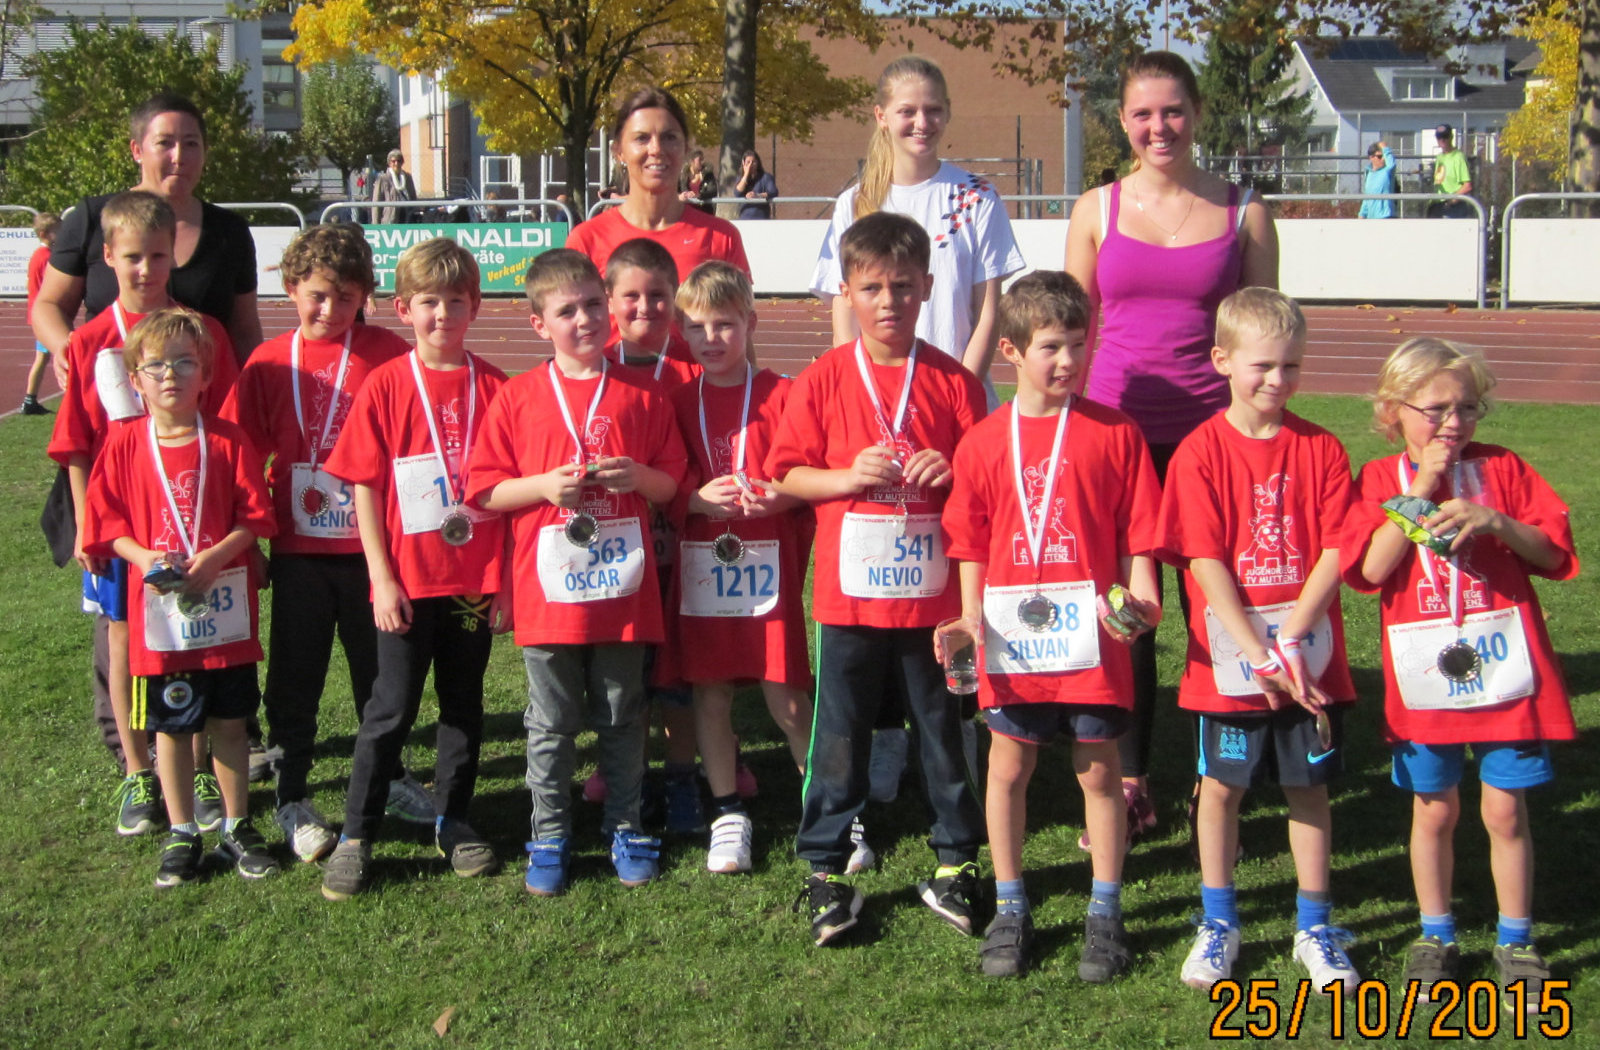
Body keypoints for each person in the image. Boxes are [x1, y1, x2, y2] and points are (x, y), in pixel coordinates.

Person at [1064, 51, 1278, 846]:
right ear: (1123, 122)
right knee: (1131, 617)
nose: (1160, 127)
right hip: (1118, 439)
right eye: (1143, 114)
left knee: (1217, 611)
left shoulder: (1244, 211)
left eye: (1174, 111)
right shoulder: (1096, 209)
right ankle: (1128, 779)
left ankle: (1220, 778)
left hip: (1211, 445)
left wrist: (1256, 440)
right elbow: (1071, 328)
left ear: (1197, 113)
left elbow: (1262, 334)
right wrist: (1069, 429)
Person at [768, 212, 987, 947]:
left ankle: (958, 860)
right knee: (839, 736)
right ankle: (826, 868)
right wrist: (843, 475)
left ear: (928, 287)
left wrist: (953, 469)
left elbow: (983, 489)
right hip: (849, 602)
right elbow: (787, 476)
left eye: (902, 286)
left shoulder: (955, 383)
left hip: (937, 604)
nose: (888, 300)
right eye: (872, 288)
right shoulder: (824, 380)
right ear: (848, 291)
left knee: (945, 734)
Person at [1341, 337, 1576, 1009]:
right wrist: (1417, 491)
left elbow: (1554, 551)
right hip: (1425, 679)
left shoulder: (1501, 468)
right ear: (1394, 412)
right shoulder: (1381, 479)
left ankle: (1517, 940)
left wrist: (1495, 520)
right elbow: (1374, 568)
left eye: (1467, 407)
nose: (1453, 423)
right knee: (1435, 809)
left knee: (1505, 810)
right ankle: (1435, 935)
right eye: (1436, 408)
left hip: (1506, 671)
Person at [941, 271, 1162, 980]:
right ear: (1010, 350)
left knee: (1100, 771)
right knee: (1009, 766)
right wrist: (972, 614)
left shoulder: (1115, 432)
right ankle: (1011, 904)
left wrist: (1144, 594)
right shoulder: (982, 441)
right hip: (1011, 637)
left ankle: (1104, 908)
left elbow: (1140, 531)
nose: (1068, 361)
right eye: (1050, 348)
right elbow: (971, 538)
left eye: (1078, 344)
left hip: (1092, 640)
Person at [466, 249, 688, 896]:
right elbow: (484, 492)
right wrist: (540, 487)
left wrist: (638, 478)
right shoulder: (518, 397)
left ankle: (625, 825)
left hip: (622, 594)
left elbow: (671, 483)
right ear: (540, 325)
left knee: (623, 713)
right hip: (548, 595)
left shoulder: (639, 395)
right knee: (551, 722)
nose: (586, 319)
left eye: (595, 304)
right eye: (568, 311)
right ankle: (551, 832)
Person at [1156, 288, 1359, 993]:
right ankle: (1219, 920)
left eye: (1292, 366)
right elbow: (1203, 560)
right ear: (1222, 361)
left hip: (1307, 661)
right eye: (1263, 365)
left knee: (1309, 790)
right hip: (1229, 664)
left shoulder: (1322, 447)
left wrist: (1292, 637)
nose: (1278, 380)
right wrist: (1253, 648)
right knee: (1220, 790)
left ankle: (1314, 924)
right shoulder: (1199, 452)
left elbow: (1339, 547)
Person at [221, 223, 436, 864]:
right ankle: (292, 792)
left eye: (344, 297)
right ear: (290, 289)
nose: (329, 310)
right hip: (297, 553)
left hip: (374, 553)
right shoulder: (267, 363)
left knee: (383, 675)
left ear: (364, 296)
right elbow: (239, 459)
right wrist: (251, 541)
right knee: (295, 676)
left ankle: (391, 774)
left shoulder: (389, 355)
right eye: (316, 295)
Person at [318, 238, 510, 900]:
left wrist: (505, 580)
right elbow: (364, 486)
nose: (443, 315)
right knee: (390, 708)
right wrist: (382, 577)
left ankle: (454, 820)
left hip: (472, 581)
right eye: (429, 303)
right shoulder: (387, 385)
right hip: (408, 578)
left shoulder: (496, 387)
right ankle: (357, 833)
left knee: (463, 704)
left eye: (457, 302)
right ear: (403, 309)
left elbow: (510, 492)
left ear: (476, 306)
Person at [47, 191, 239, 837]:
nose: (145, 270)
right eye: (132, 257)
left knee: (204, 639)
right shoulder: (92, 343)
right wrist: (84, 524)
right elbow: (74, 441)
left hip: (195, 522)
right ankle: (138, 769)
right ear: (107, 257)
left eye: (158, 256)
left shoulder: (199, 333)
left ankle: (205, 764)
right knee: (128, 641)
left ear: (173, 257)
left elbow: (229, 426)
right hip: (123, 531)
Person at [82, 308, 277, 888]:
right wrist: (143, 558)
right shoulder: (122, 445)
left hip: (225, 609)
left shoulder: (227, 440)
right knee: (171, 727)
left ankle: (238, 824)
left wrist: (216, 557)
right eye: (156, 366)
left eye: (185, 363)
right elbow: (107, 522)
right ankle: (182, 830)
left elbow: (253, 518)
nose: (171, 375)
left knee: (231, 722)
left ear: (206, 374)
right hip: (162, 619)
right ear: (135, 379)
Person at [668, 261, 814, 873]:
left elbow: (809, 477)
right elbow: (664, 480)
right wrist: (694, 500)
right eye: (698, 326)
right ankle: (728, 811)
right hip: (704, 568)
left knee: (787, 695)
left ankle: (828, 807)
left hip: (767, 567)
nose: (712, 339)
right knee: (711, 690)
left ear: (750, 323)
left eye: (725, 324)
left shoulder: (784, 394)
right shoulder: (675, 401)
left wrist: (778, 495)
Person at [812, 56, 1024, 394]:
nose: (922, 122)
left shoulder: (978, 197)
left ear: (948, 112)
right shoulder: (854, 204)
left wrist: (959, 397)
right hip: (878, 403)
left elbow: (988, 315)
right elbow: (845, 323)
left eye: (933, 109)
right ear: (881, 116)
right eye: (907, 111)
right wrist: (866, 398)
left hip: (957, 398)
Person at [34, 93, 263, 374]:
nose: (178, 157)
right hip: (114, 397)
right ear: (137, 150)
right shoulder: (92, 219)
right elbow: (48, 305)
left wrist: (251, 391)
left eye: (191, 144)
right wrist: (66, 349)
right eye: (164, 143)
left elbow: (245, 330)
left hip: (201, 403)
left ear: (205, 152)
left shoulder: (230, 231)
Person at [566, 87, 749, 292]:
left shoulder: (721, 238)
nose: (656, 149)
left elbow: (739, 320)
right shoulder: (586, 240)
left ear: (686, 148)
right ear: (619, 152)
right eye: (641, 138)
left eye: (669, 137)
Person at [20, 211, 60, 415]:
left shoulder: (38, 255)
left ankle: (30, 400)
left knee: (43, 358)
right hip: (44, 316)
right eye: (56, 231)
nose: (60, 235)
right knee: (61, 354)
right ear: (45, 233)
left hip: (39, 314)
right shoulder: (46, 257)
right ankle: (29, 400)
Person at [1429, 125, 1474, 219]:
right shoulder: (1440, 157)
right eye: (1439, 137)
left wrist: (1450, 202)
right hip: (1438, 205)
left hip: (1454, 208)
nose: (1442, 140)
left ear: (1451, 137)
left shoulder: (1458, 157)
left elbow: (1467, 186)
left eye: (1445, 136)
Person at [372, 149, 418, 225]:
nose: (396, 163)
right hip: (390, 218)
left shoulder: (407, 177)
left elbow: (413, 197)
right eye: (393, 161)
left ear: (402, 162)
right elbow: (376, 203)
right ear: (389, 163)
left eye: (399, 161)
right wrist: (375, 224)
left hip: (407, 216)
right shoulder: (383, 179)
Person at [735, 150, 778, 220]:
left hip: (761, 218)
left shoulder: (766, 177)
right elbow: (737, 193)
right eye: (748, 162)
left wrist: (758, 195)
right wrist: (746, 175)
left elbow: (773, 192)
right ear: (743, 163)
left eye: (753, 162)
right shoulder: (741, 178)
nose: (750, 165)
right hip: (744, 217)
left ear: (758, 163)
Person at [1358, 142, 1397, 219]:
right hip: (1372, 217)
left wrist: (1385, 148)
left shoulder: (1387, 171)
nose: (1383, 159)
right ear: (1371, 157)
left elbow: (1392, 164)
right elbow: (1367, 197)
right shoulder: (1368, 173)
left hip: (1386, 215)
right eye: (1379, 156)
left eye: (1384, 156)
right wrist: (1362, 214)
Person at [679, 150, 716, 215]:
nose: (702, 162)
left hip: (705, 211)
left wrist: (698, 195)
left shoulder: (708, 174)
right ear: (692, 162)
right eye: (700, 160)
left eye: (703, 159)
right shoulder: (682, 176)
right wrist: (685, 194)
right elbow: (676, 191)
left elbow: (713, 191)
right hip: (687, 212)